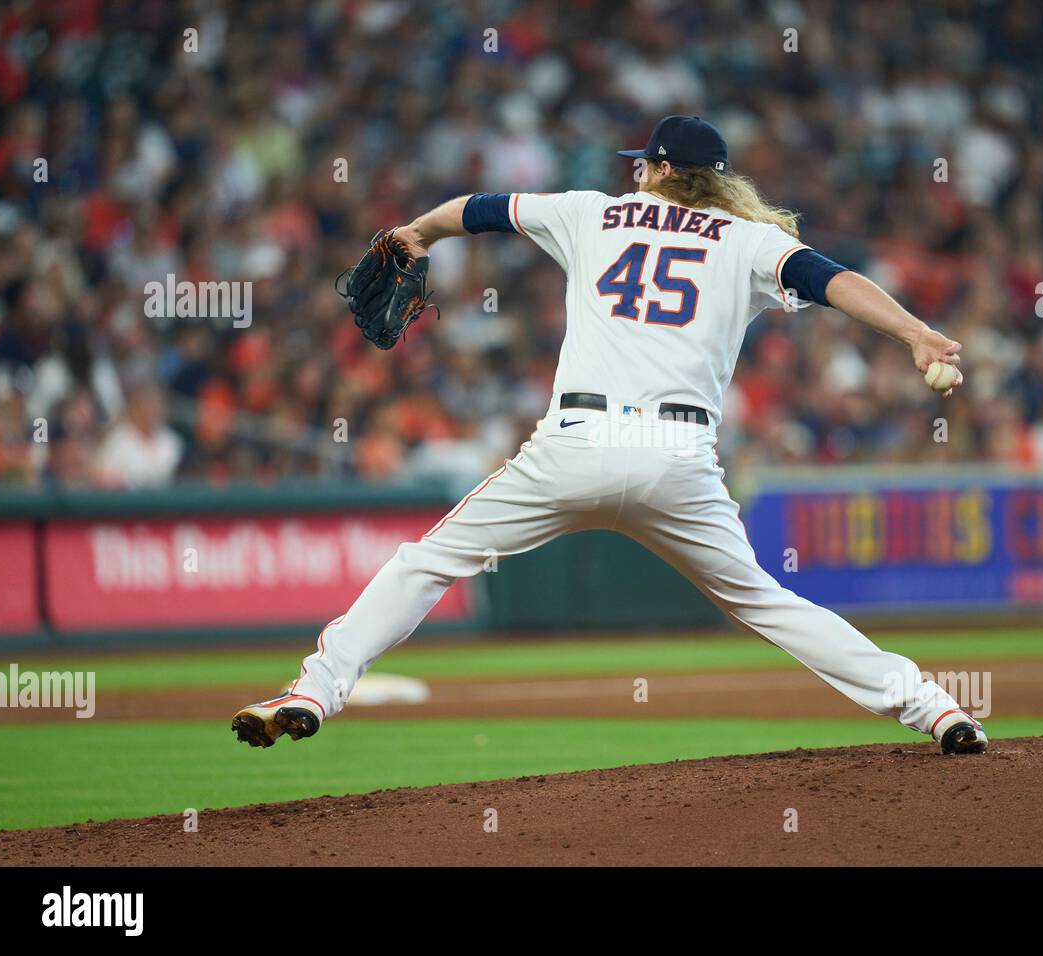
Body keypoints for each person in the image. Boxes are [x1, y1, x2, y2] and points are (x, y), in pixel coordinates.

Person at [231, 115, 986, 754]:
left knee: (427, 561)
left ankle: (317, 690)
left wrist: (416, 231)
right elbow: (833, 279)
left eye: (644, 166)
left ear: (659, 171)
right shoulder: (748, 242)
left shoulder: (590, 210)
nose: (636, 175)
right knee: (765, 602)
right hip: (679, 461)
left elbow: (481, 209)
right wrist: (916, 334)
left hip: (574, 445)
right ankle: (929, 706)